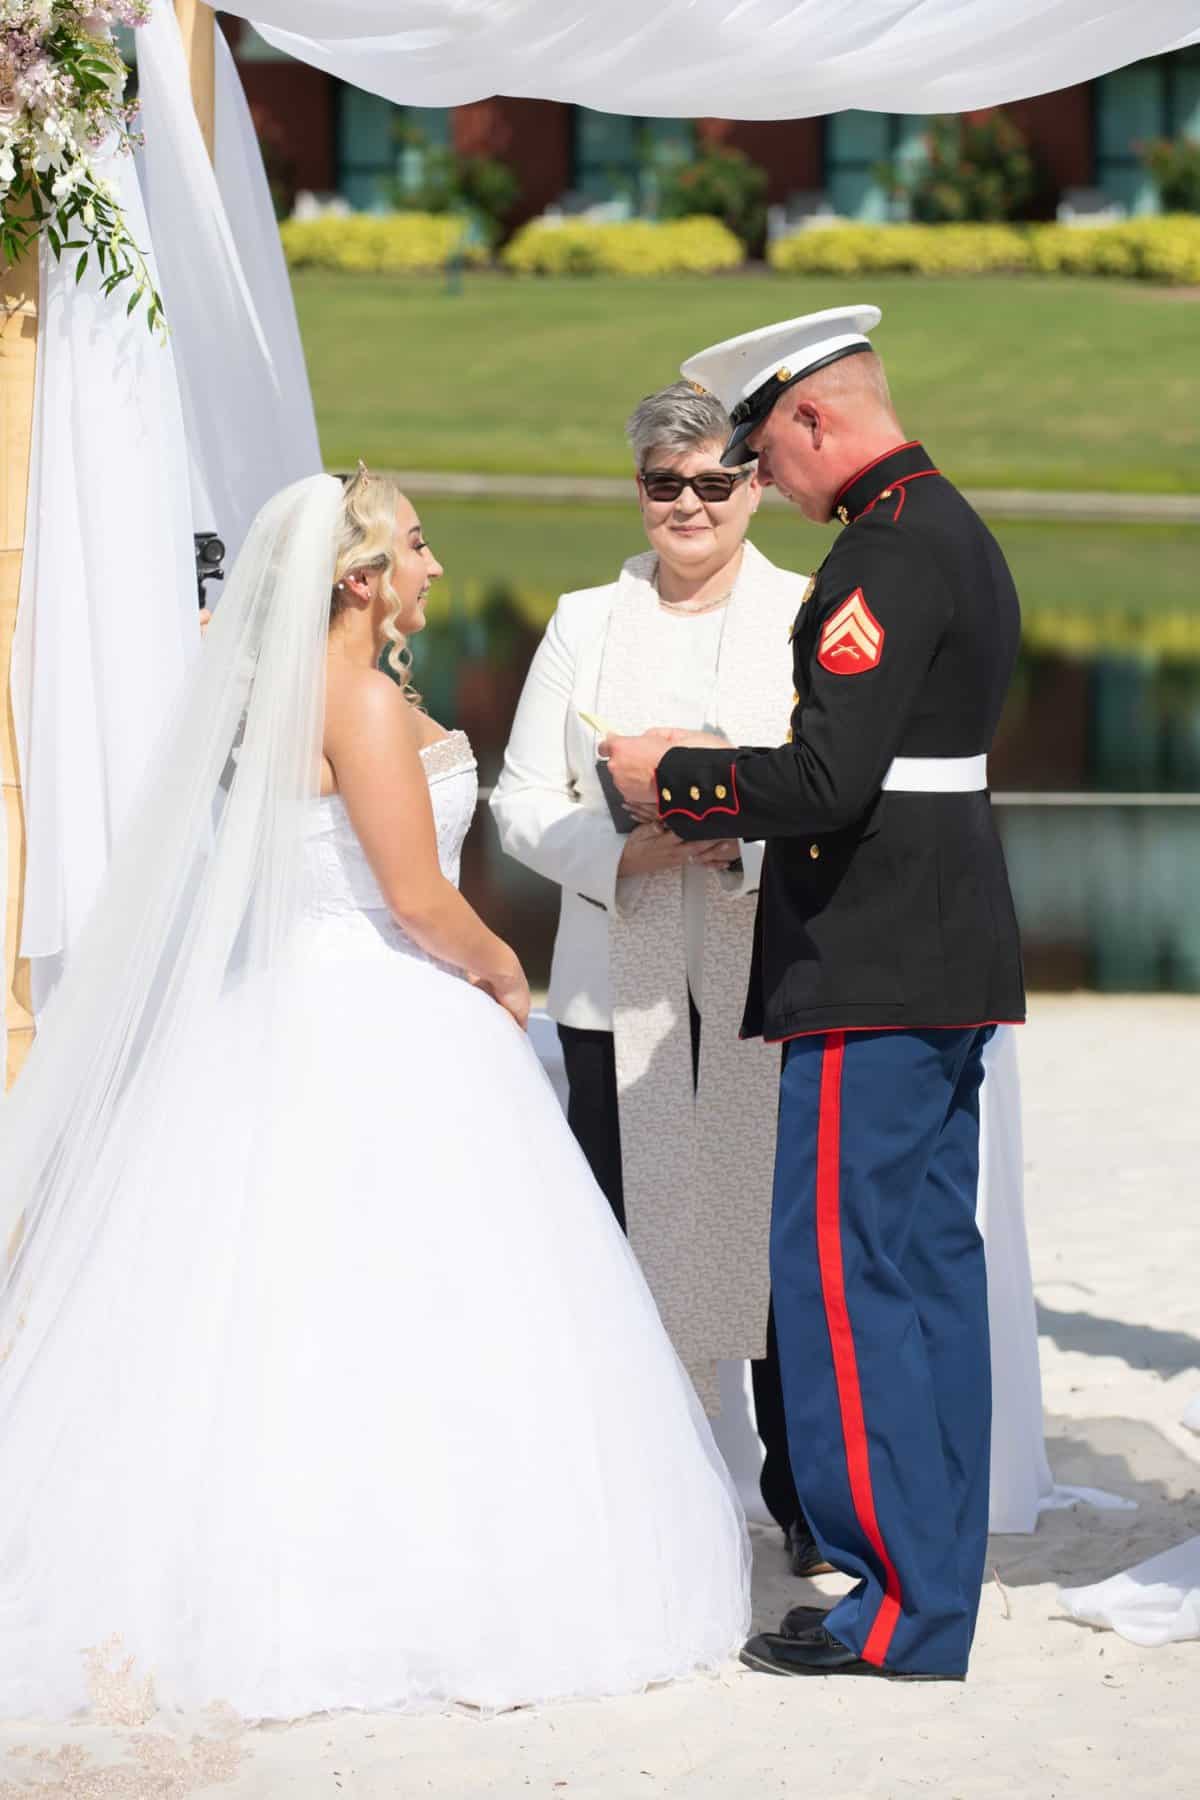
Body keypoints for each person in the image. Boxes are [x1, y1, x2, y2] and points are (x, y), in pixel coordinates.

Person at [0, 469, 749, 1724]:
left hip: (293, 1001)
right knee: (416, 1286)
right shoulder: (353, 698)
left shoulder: (298, 693)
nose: (434, 566)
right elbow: (414, 895)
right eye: (415, 545)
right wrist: (506, 969)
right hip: (382, 1000)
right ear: (360, 580)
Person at [604, 305, 1026, 1682]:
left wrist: (680, 773)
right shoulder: (950, 527)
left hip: (872, 959)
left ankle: (893, 1608)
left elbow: (836, 784)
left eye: (760, 449)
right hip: (945, 949)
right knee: (925, 1277)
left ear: (813, 421)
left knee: (844, 1285)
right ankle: (934, 1586)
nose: (756, 480)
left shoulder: (879, 560)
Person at [490, 381, 825, 1576]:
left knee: (773, 1260)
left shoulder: (804, 610)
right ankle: (647, 1490)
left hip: (752, 971)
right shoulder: (585, 616)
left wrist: (743, 833)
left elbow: (834, 788)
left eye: (713, 483)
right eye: (663, 483)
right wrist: (619, 848)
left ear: (753, 488)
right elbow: (520, 800)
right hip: (614, 971)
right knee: (630, 1243)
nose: (687, 505)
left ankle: (803, 1501)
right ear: (636, 488)